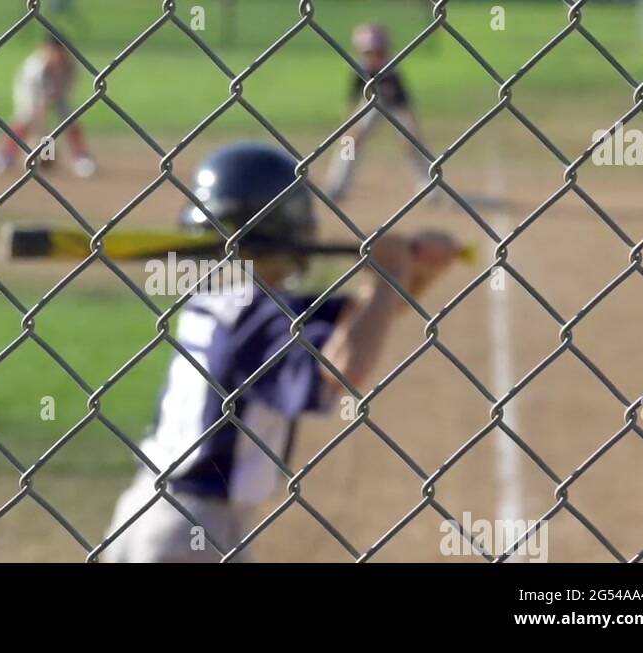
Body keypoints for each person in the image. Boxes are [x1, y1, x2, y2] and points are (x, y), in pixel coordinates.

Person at [102, 142, 461, 562]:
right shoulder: (258, 319)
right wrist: (390, 275)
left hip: (151, 512)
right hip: (196, 531)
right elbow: (343, 365)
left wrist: (413, 270)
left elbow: (365, 318)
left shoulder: (224, 301)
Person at [326, 23, 433, 203]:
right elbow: (352, 102)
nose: (373, 56)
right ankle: (337, 185)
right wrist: (349, 127)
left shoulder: (392, 72)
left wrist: (411, 131)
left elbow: (405, 106)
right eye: (368, 52)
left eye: (377, 51)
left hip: (393, 106)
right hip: (370, 104)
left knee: (412, 142)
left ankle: (428, 185)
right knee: (349, 141)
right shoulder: (360, 69)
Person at [0, 34, 96, 178]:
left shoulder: (71, 65)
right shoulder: (35, 69)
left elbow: (66, 89)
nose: (56, 55)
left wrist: (47, 149)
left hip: (59, 93)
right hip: (29, 91)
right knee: (25, 119)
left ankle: (81, 157)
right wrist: (45, 145)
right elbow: (39, 109)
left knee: (70, 119)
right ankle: (6, 156)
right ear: (45, 50)